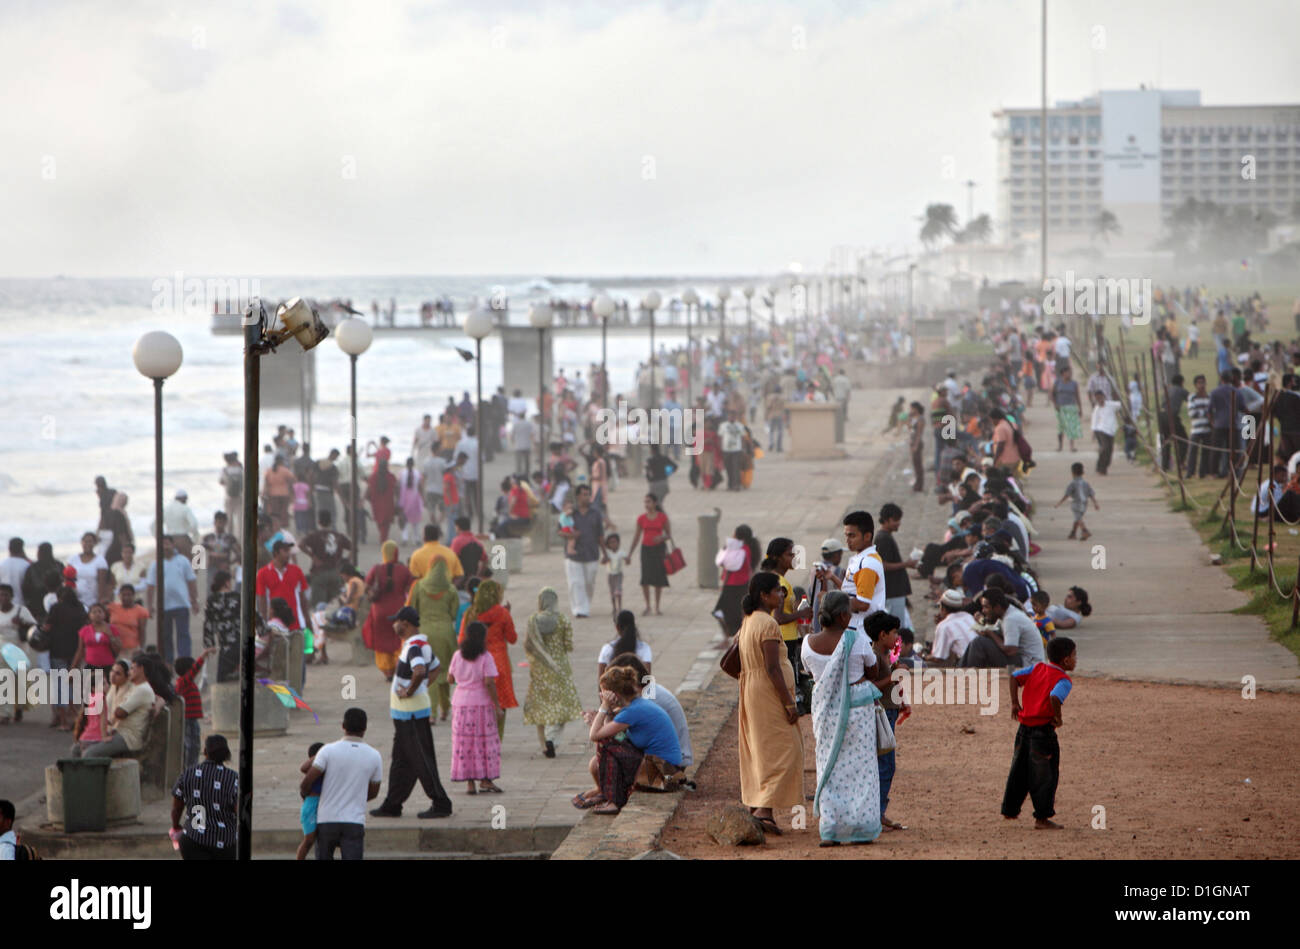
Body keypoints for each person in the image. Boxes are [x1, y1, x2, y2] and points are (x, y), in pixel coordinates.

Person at [803, 591, 882, 846]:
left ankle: (831, 829)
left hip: (825, 711)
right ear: (843, 615)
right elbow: (874, 669)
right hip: (858, 710)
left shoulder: (808, 644)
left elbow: (812, 673)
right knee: (862, 770)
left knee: (829, 766)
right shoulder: (855, 640)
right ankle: (861, 827)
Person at [369, 607, 454, 819]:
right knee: (401, 761)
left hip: (412, 714)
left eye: (396, 622)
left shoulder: (414, 647)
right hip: (405, 714)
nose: (393, 625)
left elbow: (420, 670)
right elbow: (435, 667)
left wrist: (410, 690)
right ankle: (393, 803)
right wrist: (423, 687)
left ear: (405, 624)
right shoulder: (419, 644)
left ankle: (441, 802)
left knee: (421, 759)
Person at [735, 571, 803, 835]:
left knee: (761, 747)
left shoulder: (749, 620)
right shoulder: (768, 624)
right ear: (764, 595)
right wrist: (789, 704)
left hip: (752, 688)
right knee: (785, 749)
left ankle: (758, 804)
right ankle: (764, 809)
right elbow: (773, 668)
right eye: (777, 591)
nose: (781, 595)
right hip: (767, 690)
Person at [577, 665, 682, 815]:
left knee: (605, 743)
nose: (601, 696)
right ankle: (604, 792)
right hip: (659, 765)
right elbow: (609, 730)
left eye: (604, 693)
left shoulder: (632, 711)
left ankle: (614, 801)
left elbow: (595, 736)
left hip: (663, 770)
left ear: (614, 695)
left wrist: (604, 707)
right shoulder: (634, 706)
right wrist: (603, 716)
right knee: (596, 762)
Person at [1002, 637, 1077, 830]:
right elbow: (1055, 696)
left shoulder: (1037, 668)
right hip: (1043, 732)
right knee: (1045, 775)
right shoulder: (1064, 680)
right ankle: (1042, 818)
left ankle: (1010, 810)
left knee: (1019, 768)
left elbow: (1014, 676)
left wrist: (1014, 702)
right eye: (1075, 656)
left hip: (1024, 728)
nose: (1076, 660)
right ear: (1066, 660)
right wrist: (1058, 718)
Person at [300, 708, 384, 859]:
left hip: (326, 820)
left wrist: (309, 800)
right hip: (354, 821)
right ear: (365, 728)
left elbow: (306, 782)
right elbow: (373, 793)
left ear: (343, 726)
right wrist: (354, 798)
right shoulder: (374, 756)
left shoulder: (327, 751)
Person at [522, 587, 584, 758]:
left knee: (541, 705)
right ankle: (552, 739)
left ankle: (543, 744)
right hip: (560, 668)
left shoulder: (533, 620)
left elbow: (528, 644)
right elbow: (569, 644)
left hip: (540, 669)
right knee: (562, 704)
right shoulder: (563, 619)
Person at [448, 620, 504, 794]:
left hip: (460, 704)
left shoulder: (458, 655)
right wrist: (497, 705)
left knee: (465, 744)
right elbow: (489, 682)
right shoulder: (485, 657)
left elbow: (450, 679)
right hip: (481, 705)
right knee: (484, 742)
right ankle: (486, 779)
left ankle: (470, 784)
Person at [457, 579, 517, 738]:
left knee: (480, 702)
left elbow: (461, 639)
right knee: (500, 703)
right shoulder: (502, 613)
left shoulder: (470, 613)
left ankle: (481, 737)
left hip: (475, 662)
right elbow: (512, 638)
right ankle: (497, 738)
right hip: (499, 664)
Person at [864, 611, 907, 830]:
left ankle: (878, 812)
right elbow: (872, 687)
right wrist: (894, 676)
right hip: (880, 714)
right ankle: (877, 813)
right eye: (893, 633)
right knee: (885, 765)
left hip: (889, 711)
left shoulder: (886, 655)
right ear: (882, 635)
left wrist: (902, 701)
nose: (896, 637)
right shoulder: (873, 656)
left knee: (885, 764)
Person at [170, 734, 239, 859]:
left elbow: (177, 808)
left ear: (205, 752)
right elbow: (238, 811)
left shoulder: (188, 774)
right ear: (226, 754)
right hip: (225, 843)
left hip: (193, 839)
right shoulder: (233, 778)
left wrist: (176, 826)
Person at [408, 560, 459, 722]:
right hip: (446, 633)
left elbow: (413, 609)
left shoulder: (419, 586)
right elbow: (454, 612)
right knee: (444, 670)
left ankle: (432, 713)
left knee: (430, 672)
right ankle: (445, 709)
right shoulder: (451, 589)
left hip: (425, 633)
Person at [77, 656, 156, 758]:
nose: (129, 672)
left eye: (132, 668)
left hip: (128, 737)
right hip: (118, 731)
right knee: (77, 749)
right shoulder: (134, 687)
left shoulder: (142, 689)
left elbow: (119, 712)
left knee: (89, 753)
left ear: (141, 669)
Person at [144, 535, 199, 664]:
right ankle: (168, 661)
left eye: (167, 543)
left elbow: (191, 581)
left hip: (181, 603)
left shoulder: (183, 560)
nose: (165, 546)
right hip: (164, 605)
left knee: (183, 634)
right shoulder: (155, 564)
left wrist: (194, 600)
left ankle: (184, 660)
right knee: (166, 636)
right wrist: (149, 605)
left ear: (173, 545)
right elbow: (150, 586)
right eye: (162, 544)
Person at [962, 587, 1045, 669]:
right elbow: (994, 631)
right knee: (975, 642)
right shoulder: (1006, 614)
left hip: (1029, 664)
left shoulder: (1011, 619)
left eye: (986, 607)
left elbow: (1011, 650)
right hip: (1022, 659)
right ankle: (960, 670)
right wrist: (983, 626)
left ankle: (970, 677)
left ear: (997, 607)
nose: (983, 611)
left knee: (979, 642)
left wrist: (989, 633)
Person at [364, 541, 412, 680]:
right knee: (398, 639)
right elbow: (410, 588)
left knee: (382, 641)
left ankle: (387, 671)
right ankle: (399, 667)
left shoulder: (376, 569)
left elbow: (366, 586)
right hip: (399, 611)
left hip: (379, 611)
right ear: (396, 552)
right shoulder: (403, 570)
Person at [43, 585, 87, 730]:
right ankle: (73, 717)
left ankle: (63, 720)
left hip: (57, 651)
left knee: (60, 685)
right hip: (76, 652)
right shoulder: (80, 608)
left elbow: (47, 627)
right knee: (73, 685)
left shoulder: (56, 607)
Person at [563, 483, 609, 619]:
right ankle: (579, 609)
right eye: (584, 494)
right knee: (576, 583)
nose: (587, 497)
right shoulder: (571, 514)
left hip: (592, 554)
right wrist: (571, 535)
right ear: (577, 496)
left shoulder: (595, 514)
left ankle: (585, 605)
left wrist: (605, 553)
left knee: (589, 582)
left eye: (588, 494)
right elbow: (560, 531)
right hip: (574, 555)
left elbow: (600, 535)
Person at [624, 493, 672, 616]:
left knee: (658, 578)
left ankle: (657, 606)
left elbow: (668, 534)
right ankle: (647, 606)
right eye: (645, 502)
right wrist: (629, 554)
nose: (647, 505)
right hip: (646, 549)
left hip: (659, 549)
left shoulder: (662, 517)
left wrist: (661, 537)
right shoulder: (641, 519)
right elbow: (636, 536)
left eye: (649, 502)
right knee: (645, 578)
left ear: (655, 503)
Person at [713, 524, 759, 644]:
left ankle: (731, 636)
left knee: (722, 611)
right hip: (741, 584)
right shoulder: (747, 549)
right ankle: (734, 636)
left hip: (733, 585)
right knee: (736, 611)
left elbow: (729, 566)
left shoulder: (740, 551)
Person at [841, 510, 886, 635]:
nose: (848, 540)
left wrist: (833, 603)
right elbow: (851, 590)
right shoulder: (860, 559)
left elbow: (862, 603)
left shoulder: (867, 564)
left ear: (867, 536)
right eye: (846, 536)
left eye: (852, 536)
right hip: (856, 627)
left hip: (862, 631)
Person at [875, 503, 917, 629]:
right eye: (895, 520)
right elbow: (883, 565)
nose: (898, 523)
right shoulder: (883, 538)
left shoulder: (886, 536)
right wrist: (907, 564)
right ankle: (897, 649)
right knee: (896, 628)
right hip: (892, 592)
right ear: (887, 520)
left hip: (895, 591)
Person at [174, 647, 215, 767]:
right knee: (190, 746)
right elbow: (195, 669)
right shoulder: (183, 682)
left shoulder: (186, 682)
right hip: (188, 720)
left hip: (192, 719)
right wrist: (203, 655)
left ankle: (193, 766)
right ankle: (190, 768)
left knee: (195, 745)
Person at [596, 609, 652, 685]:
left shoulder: (608, 648)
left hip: (612, 694)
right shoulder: (644, 648)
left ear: (617, 627)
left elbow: (601, 681)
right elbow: (647, 679)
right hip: (638, 694)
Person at [202, 571, 241, 683]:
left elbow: (208, 623)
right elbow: (253, 616)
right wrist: (263, 631)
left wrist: (209, 644)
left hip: (225, 647)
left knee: (223, 682)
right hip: (241, 644)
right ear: (227, 583)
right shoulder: (237, 597)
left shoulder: (211, 600)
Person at [929, 588, 978, 665]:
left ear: (943, 608)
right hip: (980, 659)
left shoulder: (943, 626)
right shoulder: (968, 616)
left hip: (967, 664)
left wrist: (923, 656)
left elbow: (938, 658)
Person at [71, 602, 121, 674]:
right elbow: (80, 651)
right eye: (94, 612)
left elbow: (118, 648)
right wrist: (73, 668)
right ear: (89, 615)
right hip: (90, 667)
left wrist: (110, 635)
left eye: (100, 612)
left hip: (107, 666)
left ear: (104, 614)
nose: (97, 614)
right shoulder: (85, 630)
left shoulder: (112, 629)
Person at [1057, 462, 1099, 541]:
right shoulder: (1086, 483)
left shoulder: (1072, 483)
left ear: (1072, 473)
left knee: (1078, 518)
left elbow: (1067, 495)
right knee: (1077, 518)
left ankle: (1084, 530)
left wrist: (1059, 503)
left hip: (1076, 503)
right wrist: (1095, 503)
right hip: (1084, 504)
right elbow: (1091, 494)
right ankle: (1073, 533)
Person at [68, 531, 110, 611]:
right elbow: (68, 580)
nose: (87, 544)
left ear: (94, 543)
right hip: (75, 600)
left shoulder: (100, 560)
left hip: (92, 600)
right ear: (81, 542)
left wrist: (99, 603)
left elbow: (102, 584)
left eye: (90, 541)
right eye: (85, 541)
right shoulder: (73, 559)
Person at [297, 742, 324, 860]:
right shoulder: (312, 769)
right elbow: (302, 768)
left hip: (322, 804)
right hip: (311, 805)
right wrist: (320, 755)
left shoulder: (325, 769)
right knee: (309, 840)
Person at [365, 458, 399, 544]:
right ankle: (383, 538)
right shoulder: (391, 477)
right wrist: (398, 500)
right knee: (386, 524)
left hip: (376, 504)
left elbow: (368, 491)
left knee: (379, 522)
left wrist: (369, 499)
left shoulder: (373, 477)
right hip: (388, 504)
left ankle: (383, 538)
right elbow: (396, 490)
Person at [200, 511, 240, 579]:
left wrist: (230, 563)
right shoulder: (208, 537)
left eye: (222, 522)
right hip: (211, 568)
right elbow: (200, 551)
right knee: (211, 588)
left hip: (224, 569)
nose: (220, 525)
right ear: (214, 522)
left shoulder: (230, 539)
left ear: (225, 523)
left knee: (224, 589)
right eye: (218, 522)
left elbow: (239, 554)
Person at [1090, 391, 1120, 476]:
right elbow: (1094, 422)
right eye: (1097, 399)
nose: (1099, 400)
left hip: (1111, 431)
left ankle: (1104, 467)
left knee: (1109, 450)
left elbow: (1120, 405)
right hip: (1101, 430)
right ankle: (1100, 467)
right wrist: (1093, 433)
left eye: (1100, 398)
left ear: (1104, 397)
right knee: (1105, 448)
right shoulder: (1097, 409)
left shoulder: (1111, 405)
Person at [263, 456, 295, 531]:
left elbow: (266, 483)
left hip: (272, 494)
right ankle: (283, 528)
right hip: (284, 493)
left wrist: (264, 493)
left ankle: (275, 526)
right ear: (282, 461)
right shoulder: (285, 470)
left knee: (274, 512)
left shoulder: (269, 470)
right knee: (284, 511)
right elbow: (292, 480)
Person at [600, 533, 624, 617]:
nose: (613, 544)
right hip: (610, 574)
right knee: (612, 592)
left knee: (618, 590)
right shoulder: (608, 553)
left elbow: (627, 560)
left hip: (618, 574)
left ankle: (620, 607)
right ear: (608, 544)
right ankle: (614, 607)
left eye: (615, 542)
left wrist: (627, 559)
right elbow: (602, 562)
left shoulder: (621, 553)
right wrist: (606, 559)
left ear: (618, 543)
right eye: (611, 542)